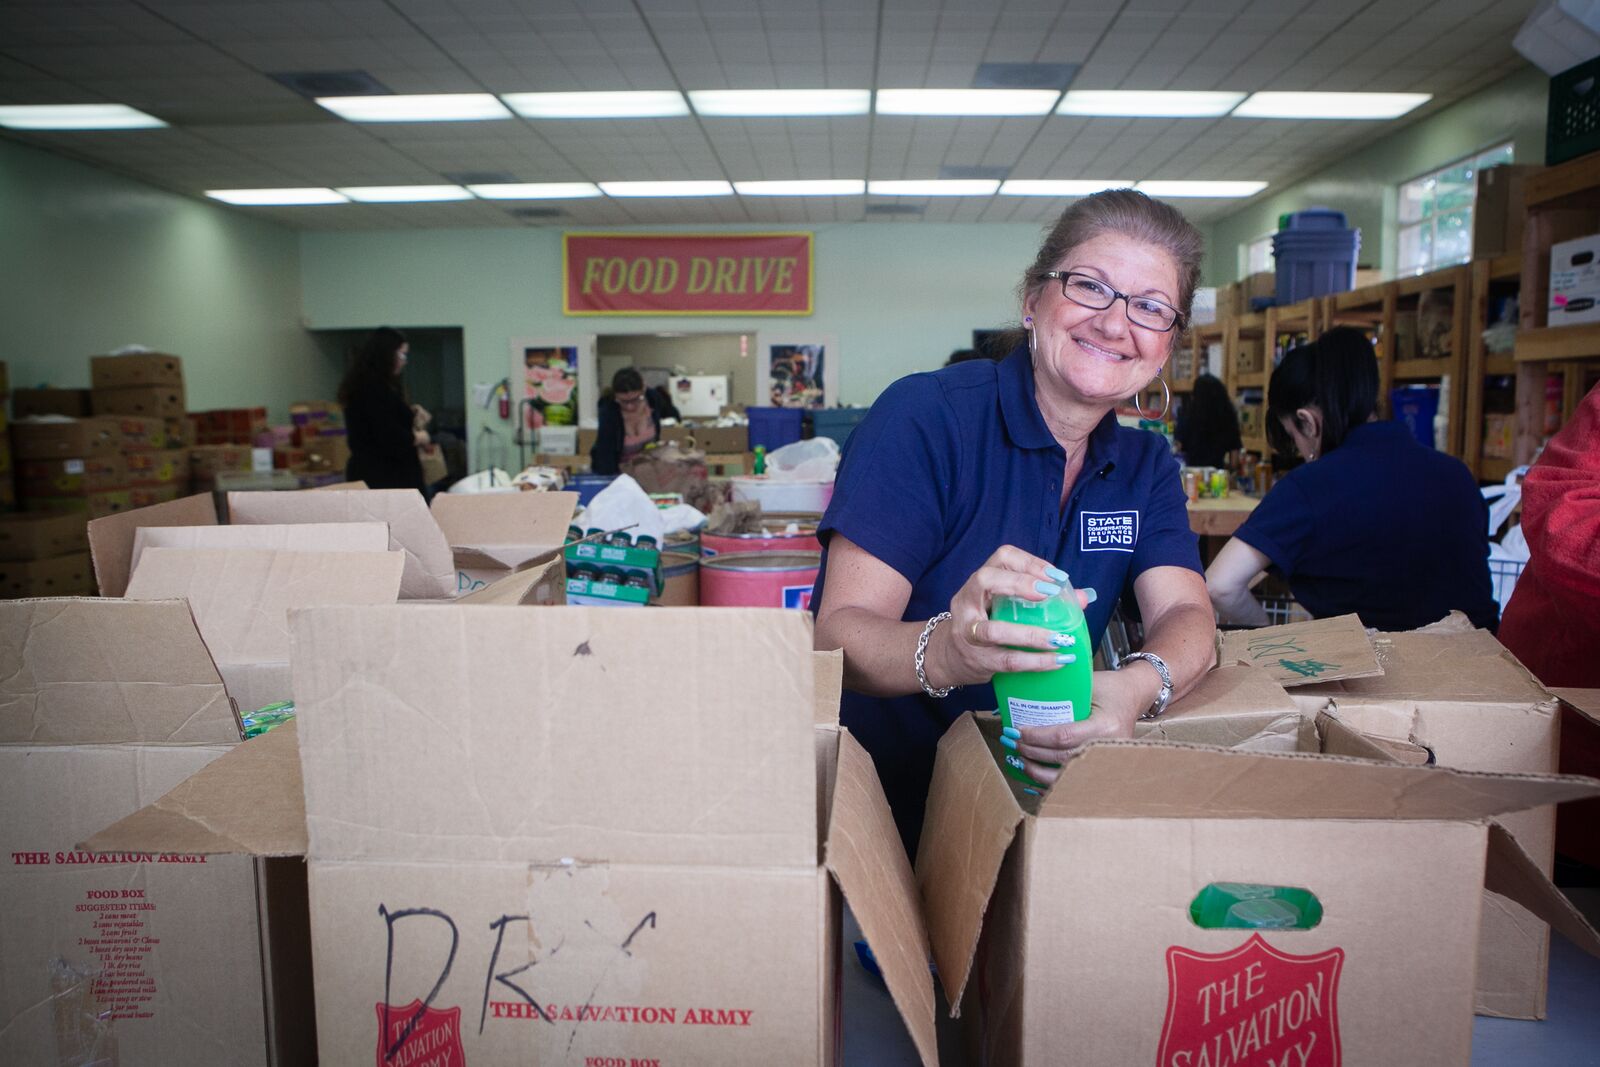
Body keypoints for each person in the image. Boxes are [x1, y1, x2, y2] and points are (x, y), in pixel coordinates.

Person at [812, 188, 1218, 855]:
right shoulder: (925, 419)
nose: (1117, 324)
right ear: (1033, 301)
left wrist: (1132, 689)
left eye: (1150, 307)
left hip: (1044, 813)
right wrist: (948, 648)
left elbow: (1188, 614)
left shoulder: (1145, 462)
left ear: (1167, 343)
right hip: (889, 820)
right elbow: (837, 635)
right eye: (1090, 287)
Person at [1205, 326, 1498, 631]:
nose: (1304, 454)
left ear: (1307, 421)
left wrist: (1274, 637)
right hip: (1480, 664)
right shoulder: (1457, 474)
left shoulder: (1309, 487)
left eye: (1294, 437)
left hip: (1376, 672)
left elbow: (1220, 584)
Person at [339, 326, 428, 492]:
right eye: (401, 354)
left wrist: (412, 412)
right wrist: (419, 437)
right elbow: (387, 435)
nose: (404, 361)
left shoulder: (373, 386)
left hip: (387, 473)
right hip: (384, 477)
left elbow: (386, 416)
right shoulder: (370, 389)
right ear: (386, 354)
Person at [591, 367, 665, 475]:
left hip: (649, 472)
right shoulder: (609, 412)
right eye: (623, 401)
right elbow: (605, 455)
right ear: (615, 395)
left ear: (643, 389)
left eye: (635, 399)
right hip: (619, 474)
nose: (630, 407)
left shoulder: (653, 399)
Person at [1175, 373, 1241, 469]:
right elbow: (1234, 461)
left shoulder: (1187, 416)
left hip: (1191, 476)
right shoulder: (1228, 417)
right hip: (1216, 477)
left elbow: (1177, 449)